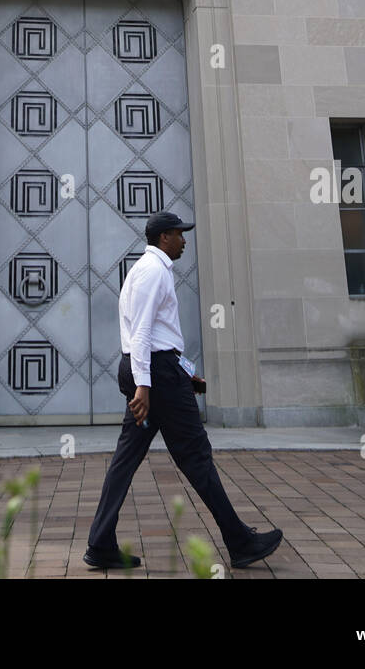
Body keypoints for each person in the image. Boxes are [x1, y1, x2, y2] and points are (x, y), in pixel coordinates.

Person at [84, 211, 283, 571]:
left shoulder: (147, 269)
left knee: (126, 458)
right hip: (153, 374)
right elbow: (142, 333)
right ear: (164, 238)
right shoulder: (152, 271)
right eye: (179, 234)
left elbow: (155, 335)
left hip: (156, 371)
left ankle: (100, 544)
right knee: (195, 454)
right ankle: (240, 542)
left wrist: (181, 374)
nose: (184, 240)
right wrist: (146, 384)